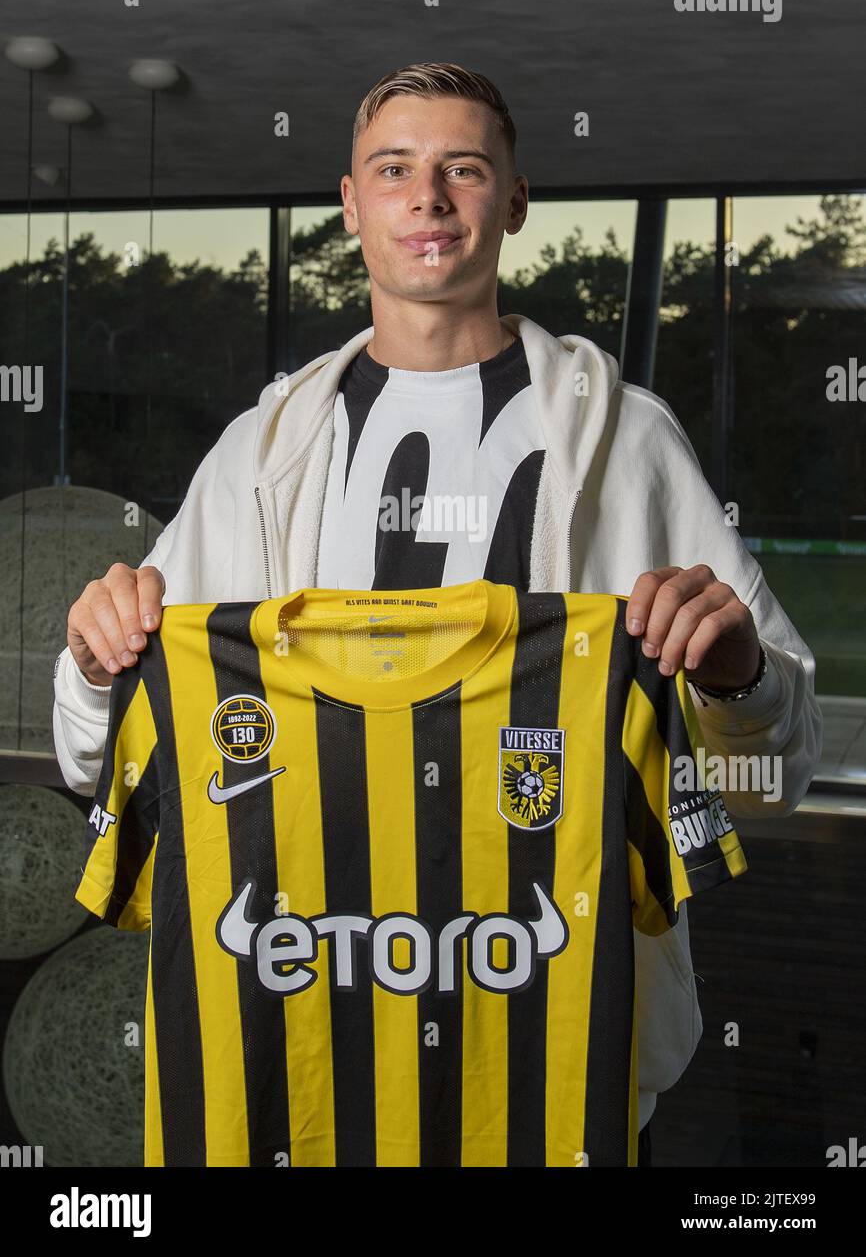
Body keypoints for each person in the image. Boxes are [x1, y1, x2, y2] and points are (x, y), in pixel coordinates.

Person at [53, 61, 822, 1165]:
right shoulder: (256, 461)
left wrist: (737, 686)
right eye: (394, 171)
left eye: (462, 169)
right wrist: (93, 662)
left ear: (512, 200)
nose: (428, 198)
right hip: (310, 1076)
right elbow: (99, 761)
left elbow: (774, 781)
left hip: (565, 1077)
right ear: (351, 202)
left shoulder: (632, 445)